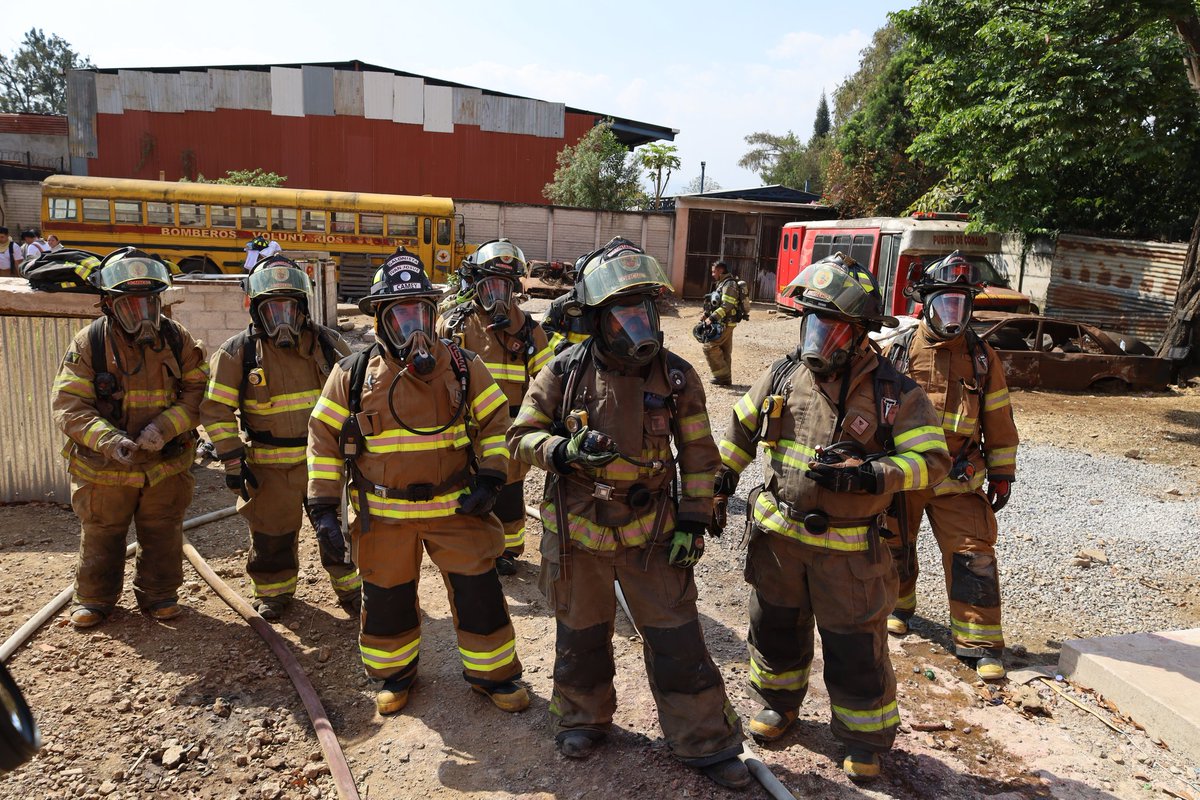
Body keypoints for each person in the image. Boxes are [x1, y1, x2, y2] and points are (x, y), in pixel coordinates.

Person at [507, 237, 751, 790]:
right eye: (622, 312)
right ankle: (581, 720)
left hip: (653, 537)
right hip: (577, 534)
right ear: (597, 318)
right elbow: (519, 438)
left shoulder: (678, 376)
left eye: (643, 310)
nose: (636, 324)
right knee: (581, 635)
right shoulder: (563, 371)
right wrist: (563, 452)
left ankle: (705, 742)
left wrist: (692, 520)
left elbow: (699, 455)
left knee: (677, 640)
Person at [715, 252, 949, 781]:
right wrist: (719, 481)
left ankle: (863, 738)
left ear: (862, 333)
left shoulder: (895, 393)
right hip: (779, 542)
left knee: (854, 649)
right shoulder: (782, 375)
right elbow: (740, 432)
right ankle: (779, 703)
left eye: (833, 327)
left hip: (848, 553)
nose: (819, 337)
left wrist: (872, 476)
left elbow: (932, 463)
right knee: (773, 628)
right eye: (813, 322)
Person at [306, 248, 529, 717]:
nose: (414, 328)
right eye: (401, 315)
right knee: (386, 599)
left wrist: (491, 478)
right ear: (381, 320)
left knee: (479, 594)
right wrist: (324, 510)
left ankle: (496, 675)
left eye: (421, 313)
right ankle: (394, 675)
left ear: (433, 313)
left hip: (456, 509)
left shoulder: (465, 366)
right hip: (384, 516)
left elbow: (496, 425)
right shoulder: (351, 376)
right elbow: (323, 442)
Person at [51, 248, 208, 628]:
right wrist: (109, 440)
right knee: (103, 532)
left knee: (163, 529)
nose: (143, 315)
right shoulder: (90, 343)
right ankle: (95, 599)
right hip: (106, 468)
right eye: (130, 305)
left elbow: (199, 392)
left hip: (165, 463)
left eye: (149, 303)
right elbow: (68, 405)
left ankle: (159, 595)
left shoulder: (176, 339)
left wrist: (165, 428)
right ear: (108, 304)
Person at [882, 251, 1019, 681]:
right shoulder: (897, 352)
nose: (953, 314)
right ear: (927, 303)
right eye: (945, 303)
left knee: (973, 555)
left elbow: (998, 418)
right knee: (893, 545)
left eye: (961, 304)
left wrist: (1001, 471)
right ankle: (898, 607)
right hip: (905, 476)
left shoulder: (983, 358)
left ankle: (980, 642)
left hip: (959, 479)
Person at [200, 255, 361, 619]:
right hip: (269, 468)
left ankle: (352, 589)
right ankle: (274, 593)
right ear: (257, 311)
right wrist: (231, 458)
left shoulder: (328, 345)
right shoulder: (237, 353)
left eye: (289, 308)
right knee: (271, 534)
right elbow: (215, 409)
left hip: (324, 463)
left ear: (302, 308)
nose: (282, 320)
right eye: (272, 310)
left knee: (337, 531)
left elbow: (358, 394)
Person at [438, 239, 553, 575]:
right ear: (476, 284)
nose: (497, 294)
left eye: (505, 285)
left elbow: (548, 382)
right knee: (465, 489)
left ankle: (505, 550)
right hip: (465, 429)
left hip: (508, 429)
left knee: (508, 491)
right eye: (490, 285)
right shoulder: (453, 324)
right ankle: (468, 547)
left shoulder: (531, 331)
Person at [699, 260, 742, 386]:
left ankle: (722, 376)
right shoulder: (722, 283)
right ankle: (726, 379)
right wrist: (707, 314)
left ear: (721, 270)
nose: (712, 274)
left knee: (709, 346)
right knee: (724, 350)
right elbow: (717, 303)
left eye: (714, 271)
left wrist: (711, 318)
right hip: (725, 322)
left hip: (726, 322)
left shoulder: (729, 284)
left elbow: (727, 305)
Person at [540, 253, 592, 354]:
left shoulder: (603, 304)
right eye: (583, 277)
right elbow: (544, 330)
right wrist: (563, 346)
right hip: (567, 360)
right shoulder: (559, 304)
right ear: (576, 278)